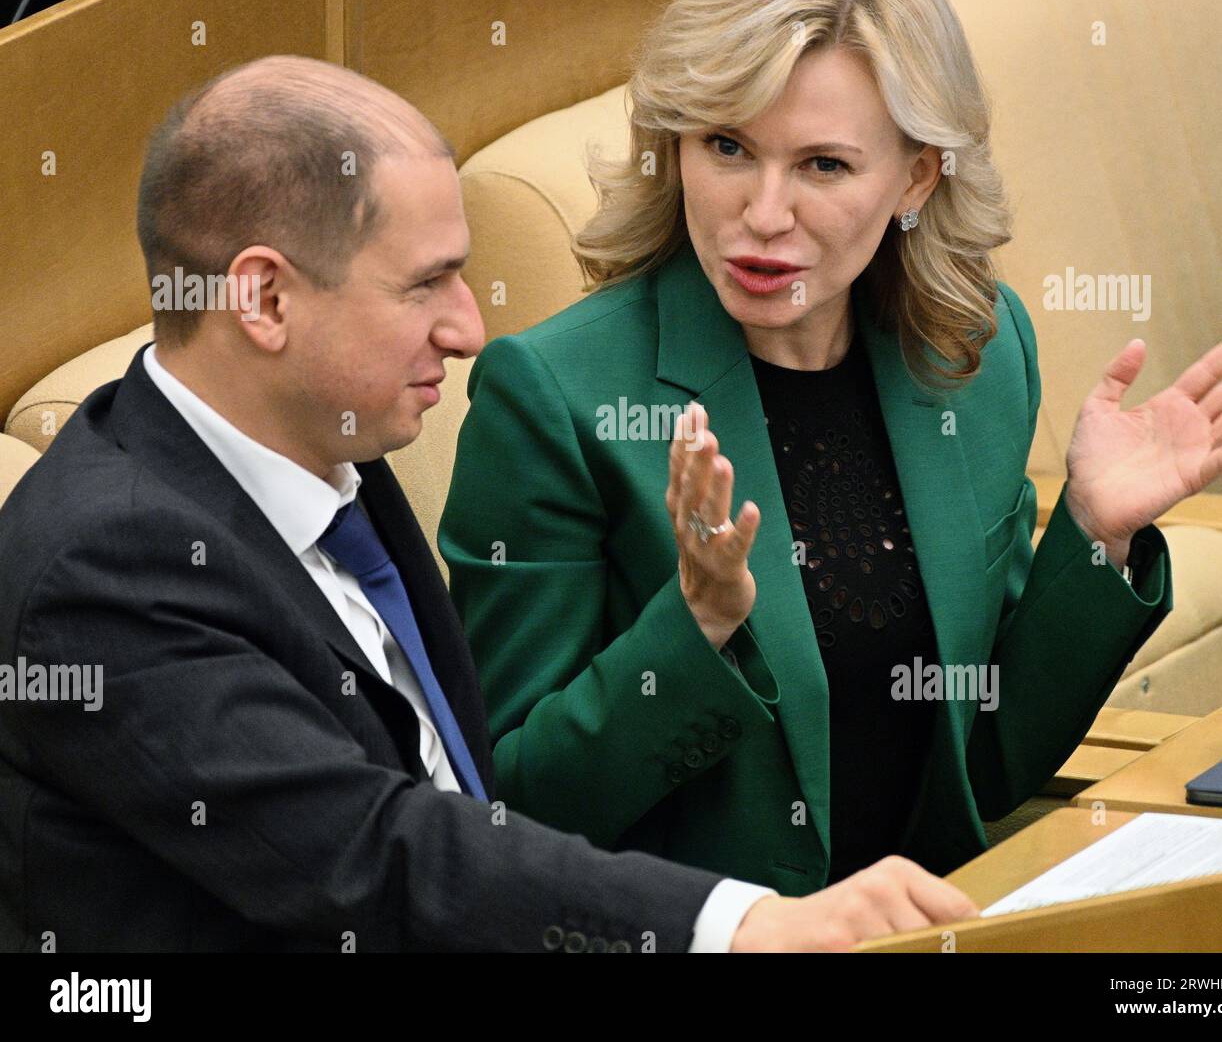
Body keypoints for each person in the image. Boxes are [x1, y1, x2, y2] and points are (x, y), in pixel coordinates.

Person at [0, 55, 983, 952]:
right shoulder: (106, 571)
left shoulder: (326, 446)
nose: (469, 328)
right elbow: (373, 852)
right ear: (263, 301)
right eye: (426, 284)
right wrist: (735, 927)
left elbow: (470, 806)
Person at [439, 0, 1222, 893]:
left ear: (917, 177)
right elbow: (505, 813)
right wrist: (694, 633)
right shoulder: (552, 397)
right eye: (726, 146)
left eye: (822, 165)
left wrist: (1095, 536)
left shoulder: (968, 354)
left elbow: (984, 766)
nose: (764, 213)